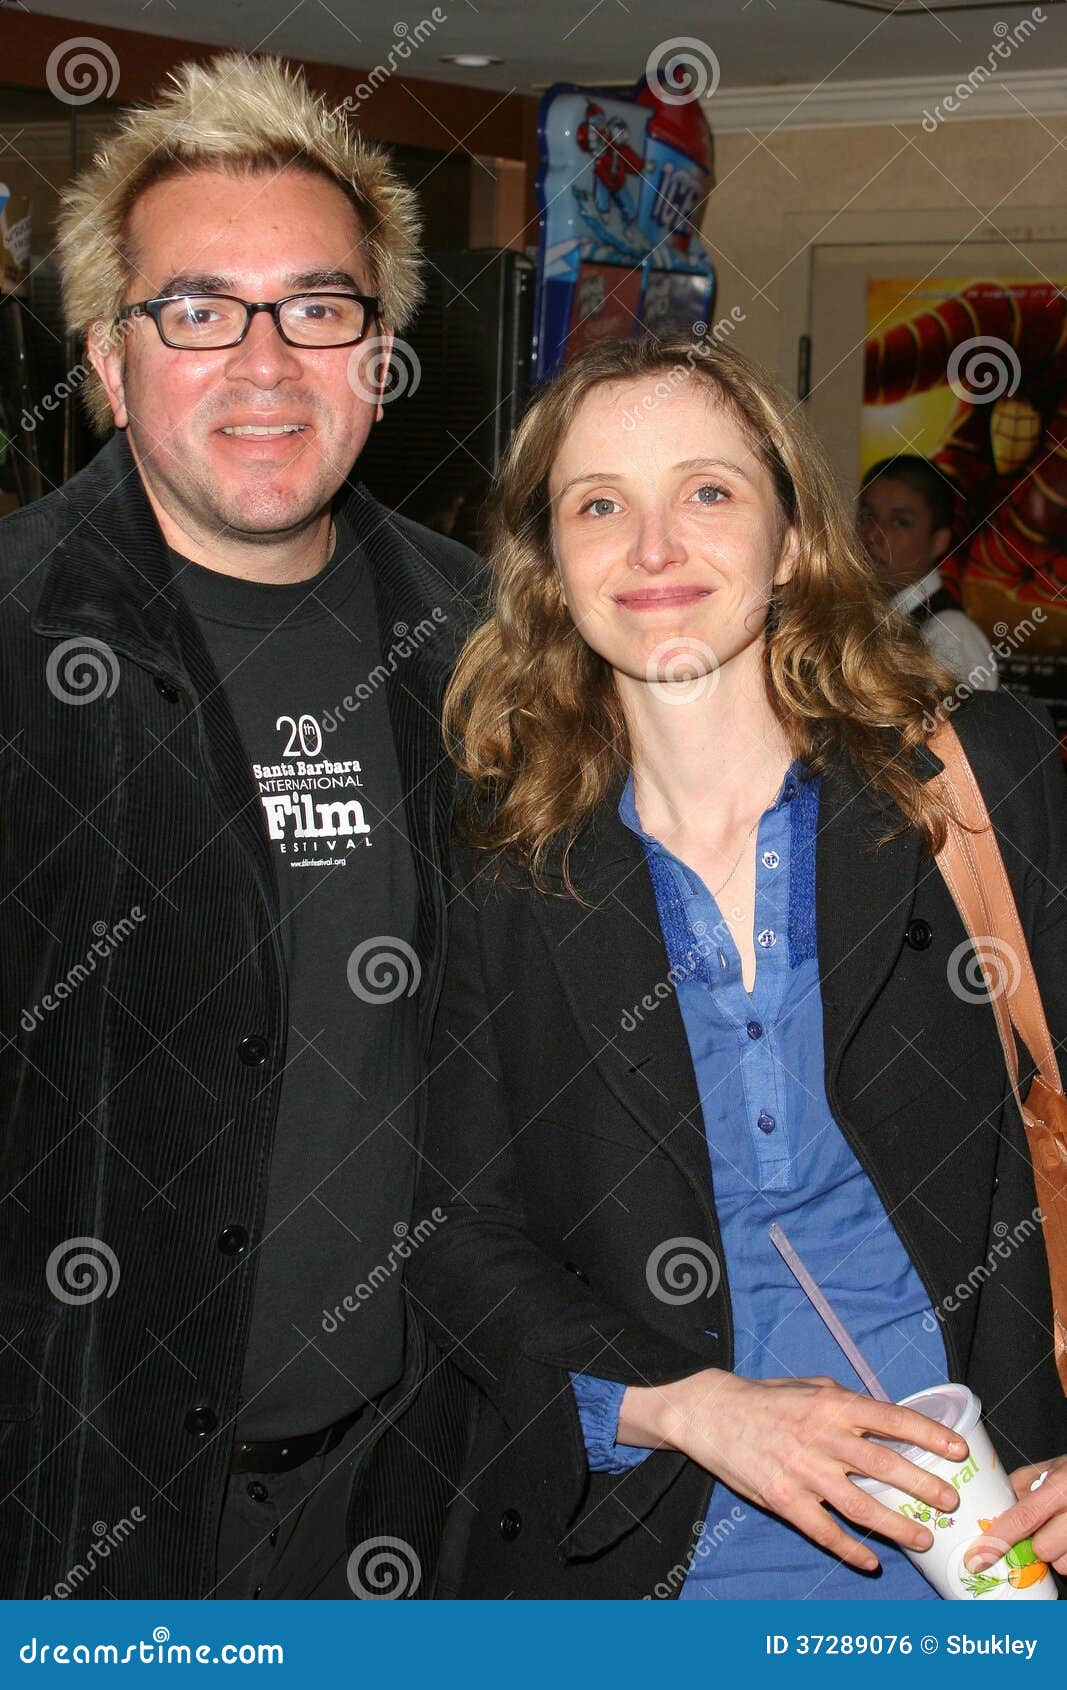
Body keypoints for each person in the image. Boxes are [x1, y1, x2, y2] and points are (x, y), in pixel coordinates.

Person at [405, 335, 1067, 1599]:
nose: (652, 548)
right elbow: (453, 1230)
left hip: (980, 1537)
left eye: (705, 491)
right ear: (548, 565)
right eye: (598, 505)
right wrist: (676, 1402)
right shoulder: (509, 858)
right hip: (649, 1544)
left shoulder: (966, 784)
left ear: (789, 537)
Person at [0, 53, 479, 1599]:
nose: (265, 363)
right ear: (106, 360)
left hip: (408, 1485)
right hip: (73, 1504)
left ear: (379, 353)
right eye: (198, 311)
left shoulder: (485, 640)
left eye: (317, 308)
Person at [858, 454, 998, 691]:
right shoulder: (870, 617)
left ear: (938, 542)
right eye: (866, 516)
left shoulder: (950, 637)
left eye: (900, 522)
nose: (872, 535)